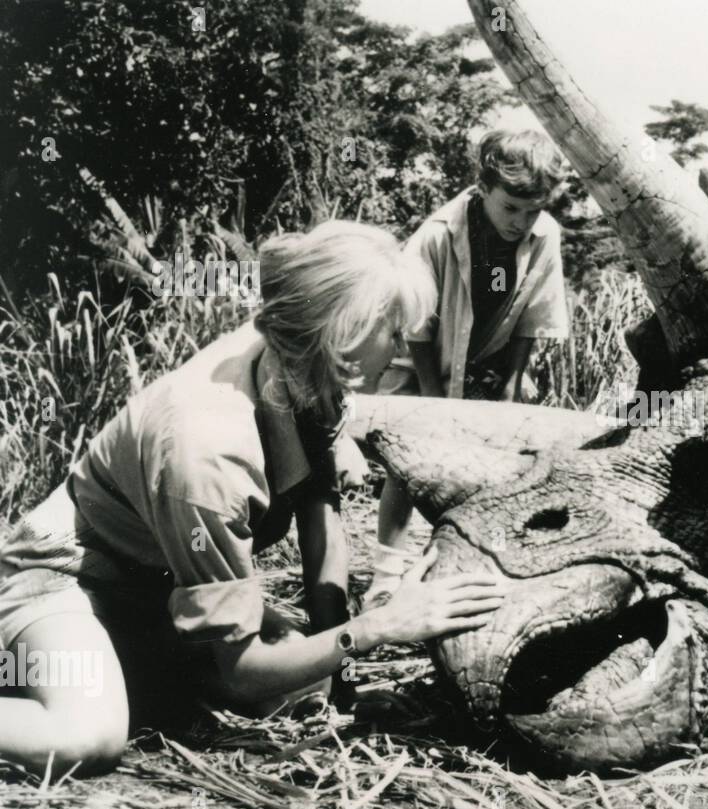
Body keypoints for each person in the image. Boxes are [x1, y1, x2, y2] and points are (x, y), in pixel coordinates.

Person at [0, 221, 505, 775]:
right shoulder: (208, 449)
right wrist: (375, 629)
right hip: (67, 580)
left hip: (156, 588)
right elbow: (244, 668)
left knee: (305, 679)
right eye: (392, 330)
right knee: (86, 737)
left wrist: (342, 681)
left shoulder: (305, 363)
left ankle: (140, 668)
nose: (405, 347)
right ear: (344, 334)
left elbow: (322, 519)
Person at [366, 128, 570, 600]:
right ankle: (385, 576)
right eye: (510, 208)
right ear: (483, 188)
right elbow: (415, 322)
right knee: (408, 461)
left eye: (533, 210)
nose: (521, 222)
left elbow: (534, 319)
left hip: (490, 355)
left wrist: (510, 389)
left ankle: (474, 568)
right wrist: (436, 399)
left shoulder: (545, 237)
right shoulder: (440, 234)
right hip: (419, 356)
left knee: (493, 459)